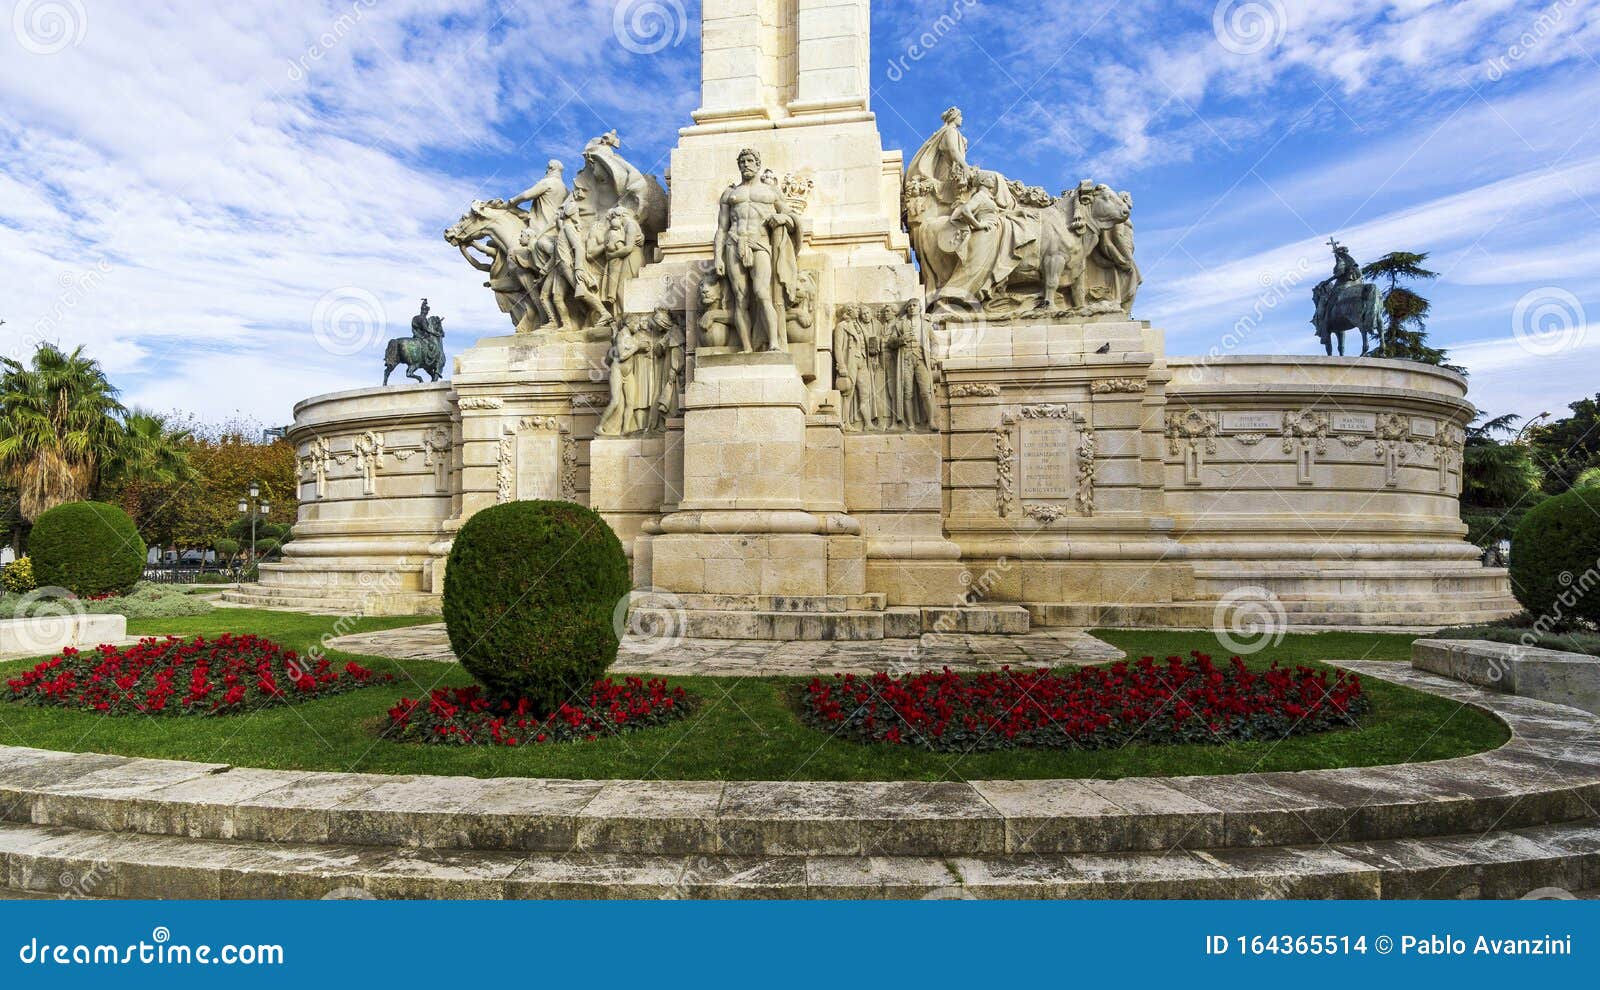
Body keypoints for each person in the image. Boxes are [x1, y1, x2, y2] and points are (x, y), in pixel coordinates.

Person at [714, 148, 801, 353]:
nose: (746, 164)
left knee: (763, 293)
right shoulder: (730, 194)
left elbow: (790, 215)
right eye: (742, 161)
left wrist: (783, 218)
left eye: (750, 160)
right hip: (734, 243)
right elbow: (721, 228)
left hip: (760, 243)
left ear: (758, 163)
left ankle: (774, 343)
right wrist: (718, 257)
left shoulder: (770, 192)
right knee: (740, 297)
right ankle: (746, 347)